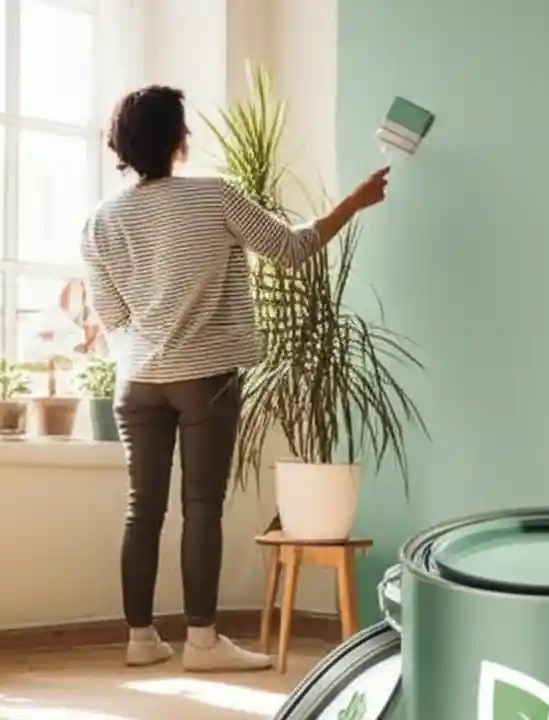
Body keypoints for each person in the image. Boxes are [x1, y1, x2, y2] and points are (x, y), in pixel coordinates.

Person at [80, 85, 391, 672]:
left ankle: (140, 639)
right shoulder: (212, 197)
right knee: (202, 506)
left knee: (142, 509)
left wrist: (153, 343)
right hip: (205, 380)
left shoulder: (100, 221)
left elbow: (111, 314)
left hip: (137, 383)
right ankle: (202, 642)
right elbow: (294, 249)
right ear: (178, 140)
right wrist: (353, 202)